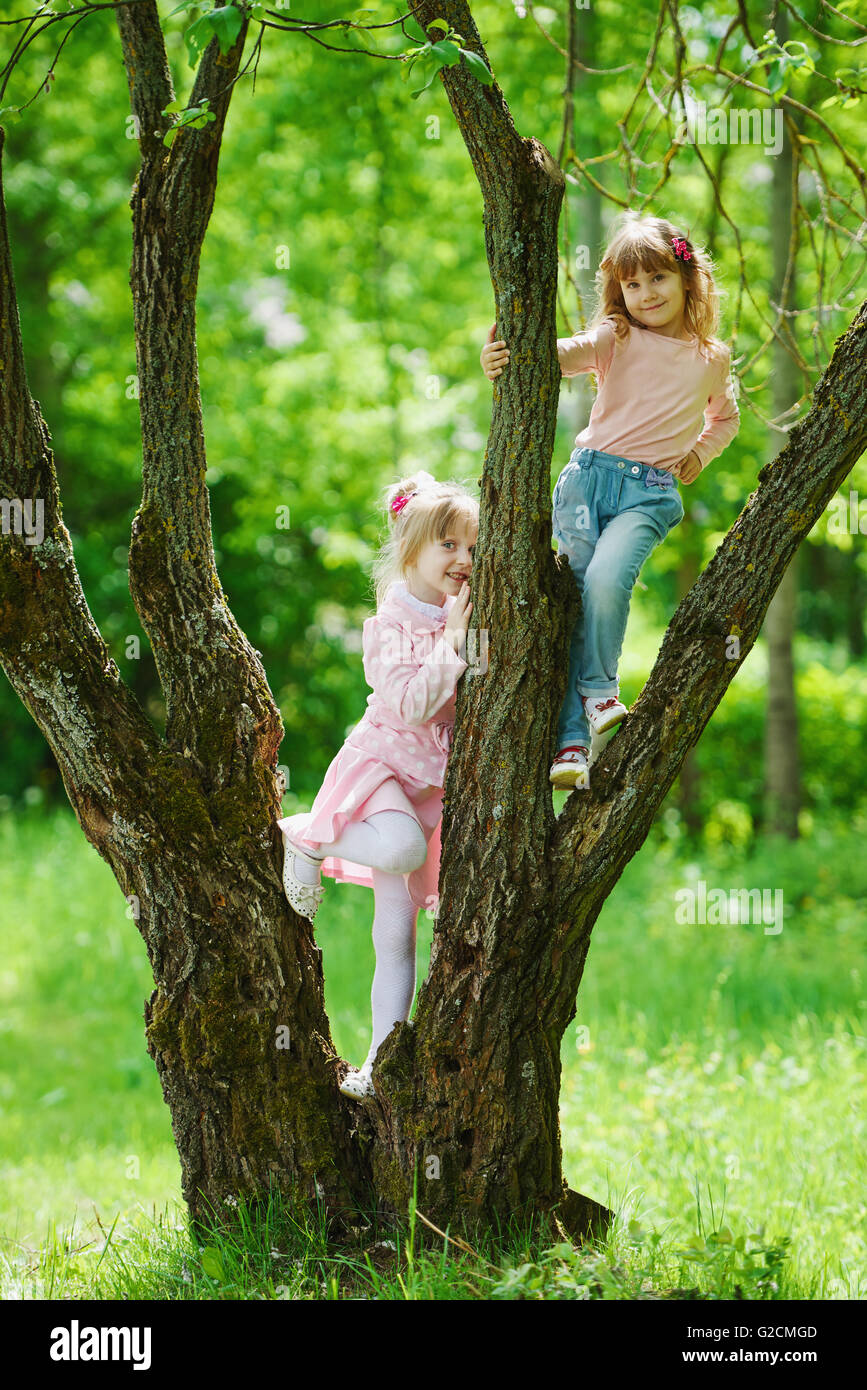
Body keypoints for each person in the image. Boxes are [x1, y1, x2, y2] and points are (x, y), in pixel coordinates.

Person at [480, 212, 740, 789]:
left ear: (687, 278)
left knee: (605, 581)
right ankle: (571, 746)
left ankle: (601, 692)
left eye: (658, 279)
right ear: (618, 290)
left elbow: (725, 419)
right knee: (576, 603)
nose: (645, 294)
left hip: (648, 495)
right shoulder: (615, 338)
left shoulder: (710, 358)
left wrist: (698, 454)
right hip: (587, 482)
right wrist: (496, 356)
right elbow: (551, 356)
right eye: (632, 284)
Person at [278, 471, 479, 1099]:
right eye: (448, 545)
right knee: (399, 848)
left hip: (433, 786)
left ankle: (378, 1063)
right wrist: (452, 644)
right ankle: (305, 834)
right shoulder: (388, 625)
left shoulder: (467, 614)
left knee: (396, 935)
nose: (463, 559)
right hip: (384, 768)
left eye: (471, 547)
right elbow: (415, 704)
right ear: (410, 548)